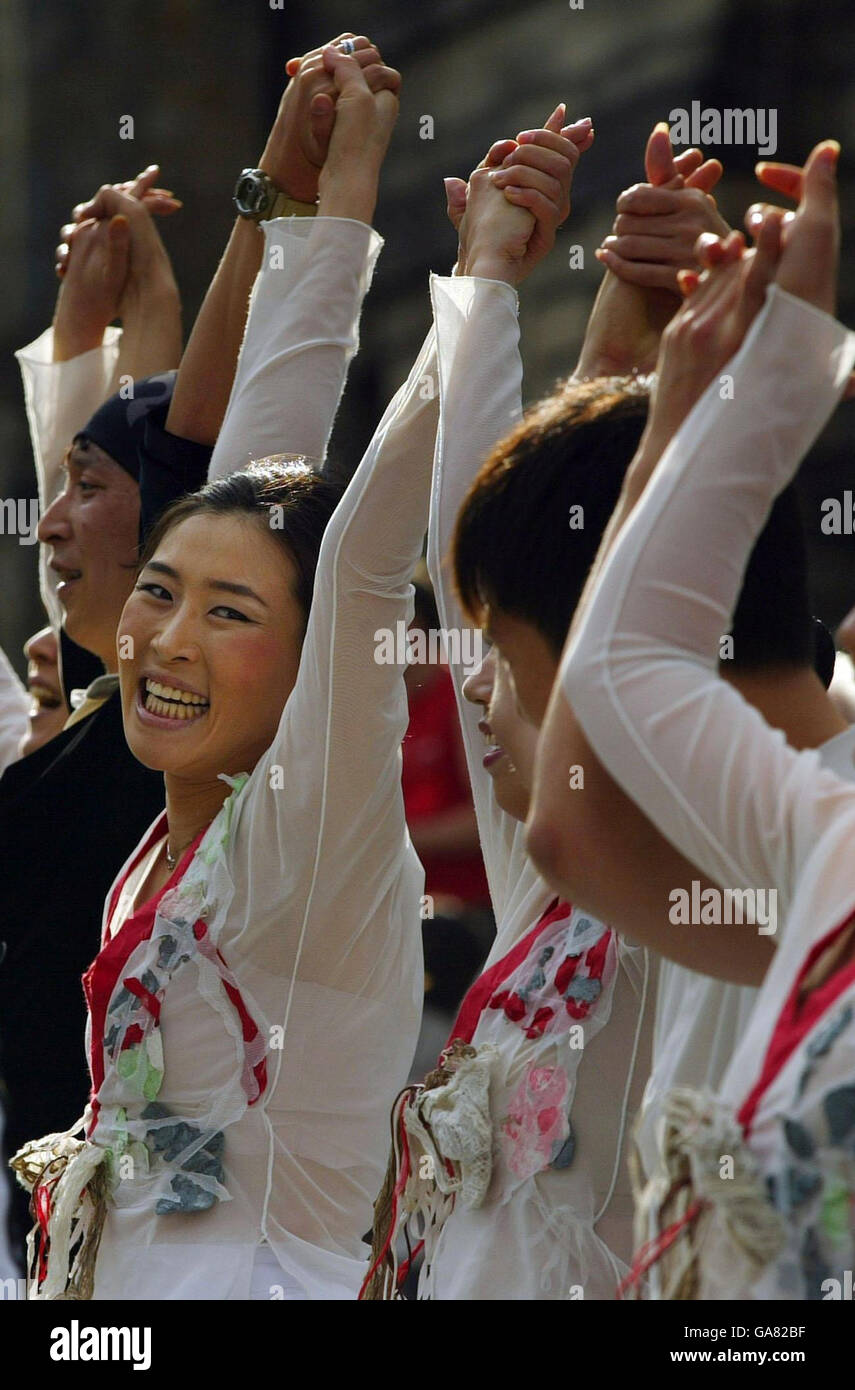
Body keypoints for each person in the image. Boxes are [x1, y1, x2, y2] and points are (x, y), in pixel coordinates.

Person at [11, 42, 441, 1303]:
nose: (171, 636)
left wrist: (448, 273)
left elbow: (345, 552)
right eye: (159, 592)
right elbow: (246, 488)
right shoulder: (167, 838)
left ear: (313, 664)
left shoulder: (316, 839)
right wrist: (288, 194)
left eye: (231, 613)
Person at [361, 121, 730, 1300]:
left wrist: (736, 343)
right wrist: (491, 287)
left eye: (508, 660)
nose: (471, 686)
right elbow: (481, 548)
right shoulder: (550, 881)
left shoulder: (737, 888)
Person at [550, 141, 855, 1299]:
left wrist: (711, 408)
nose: (487, 698)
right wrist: (676, 393)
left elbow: (609, 684)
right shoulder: (812, 840)